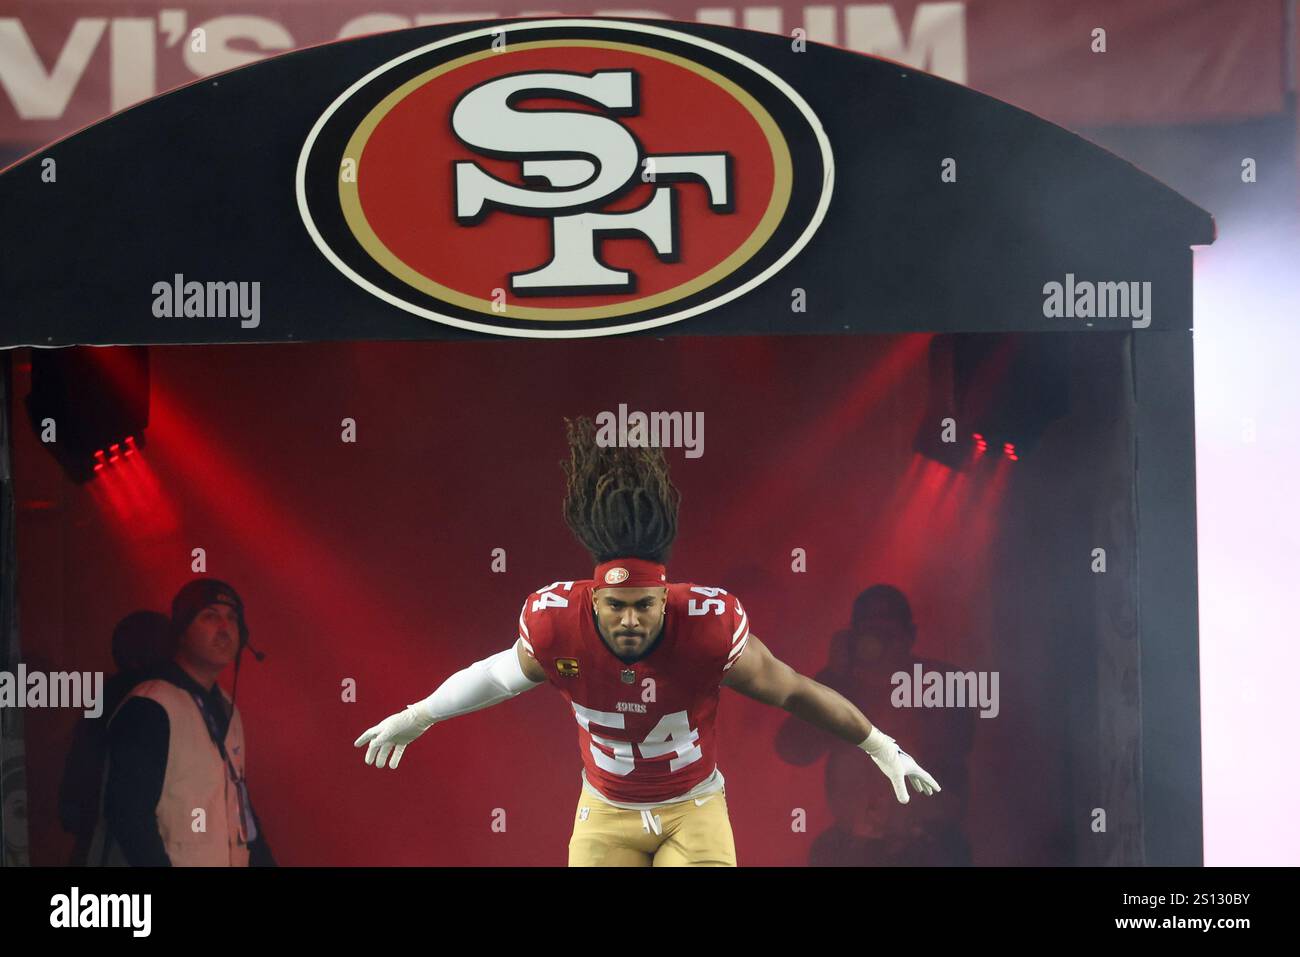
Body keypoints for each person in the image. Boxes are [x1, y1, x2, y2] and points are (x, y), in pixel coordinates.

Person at [356, 417, 940, 866]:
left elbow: (792, 691)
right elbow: (498, 675)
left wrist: (879, 745)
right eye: (615, 606)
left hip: (694, 807)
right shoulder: (556, 621)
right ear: (592, 599)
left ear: (667, 599)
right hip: (605, 809)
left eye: (644, 606)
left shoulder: (707, 626)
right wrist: (420, 715)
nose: (629, 620)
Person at [776, 585, 976, 865]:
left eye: (888, 633)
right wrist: (832, 677)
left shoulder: (940, 683)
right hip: (854, 845)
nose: (878, 643)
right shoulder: (838, 688)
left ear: (909, 636)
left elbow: (956, 747)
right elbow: (792, 750)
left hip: (927, 844)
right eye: (869, 632)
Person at [92, 579, 274, 866]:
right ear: (181, 632)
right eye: (210, 616)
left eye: (232, 618)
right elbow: (128, 815)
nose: (225, 629)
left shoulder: (227, 707)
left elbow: (240, 807)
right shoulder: (151, 705)